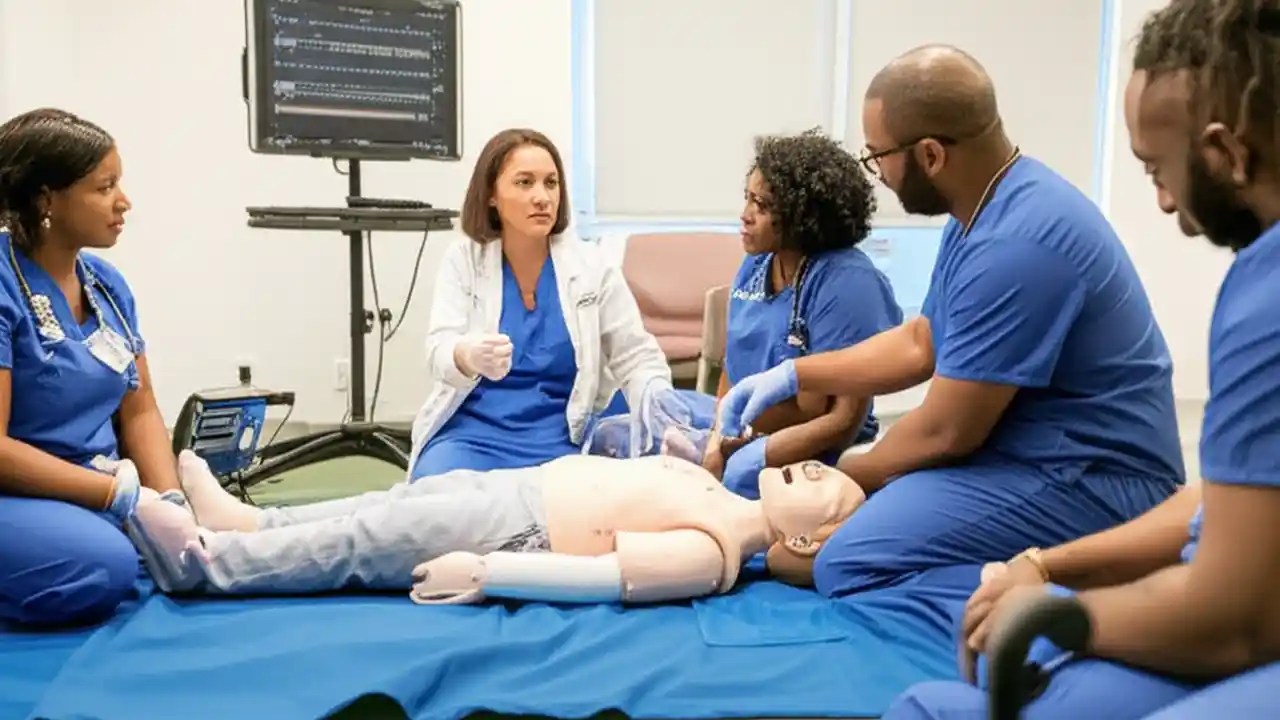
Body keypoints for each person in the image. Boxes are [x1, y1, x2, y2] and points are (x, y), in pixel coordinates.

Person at [885, 1, 1280, 717]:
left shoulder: (1263, 292)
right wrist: (1042, 568)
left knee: (953, 685)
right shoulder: (973, 221)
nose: (1160, 201)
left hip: (1100, 480)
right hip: (1129, 508)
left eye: (1157, 167)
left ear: (1226, 152)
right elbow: (1227, 498)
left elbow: (1240, 618)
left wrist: (1056, 612)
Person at [716, 45, 1186, 599]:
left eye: (877, 157)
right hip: (1019, 454)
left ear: (931, 155)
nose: (877, 174)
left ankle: (1048, 584)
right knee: (840, 529)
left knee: (843, 560)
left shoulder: (1018, 241)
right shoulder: (980, 213)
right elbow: (922, 342)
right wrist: (798, 375)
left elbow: (947, 430)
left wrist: (846, 479)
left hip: (1089, 479)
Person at [589, 129, 903, 499]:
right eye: (747, 198)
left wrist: (731, 455)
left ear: (803, 215)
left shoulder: (848, 283)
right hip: (737, 427)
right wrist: (718, 437)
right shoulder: (755, 267)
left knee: (718, 478)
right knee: (612, 431)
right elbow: (730, 377)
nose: (745, 215)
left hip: (810, 446)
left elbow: (840, 422)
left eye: (763, 206)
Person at [125, 448, 865, 603]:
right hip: (524, 486)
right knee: (386, 506)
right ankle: (253, 519)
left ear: (802, 542)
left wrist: (487, 574)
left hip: (520, 531)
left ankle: (209, 563)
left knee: (366, 544)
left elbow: (600, 578)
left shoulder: (712, 555)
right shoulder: (706, 483)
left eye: (828, 492)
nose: (821, 469)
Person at [0, 108, 186, 626]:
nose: (124, 202)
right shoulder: (2, 283)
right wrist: (119, 495)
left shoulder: (106, 284)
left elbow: (140, 408)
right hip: (17, 493)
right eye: (105, 188)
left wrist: (169, 499)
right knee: (104, 566)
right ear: (45, 199)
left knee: (208, 537)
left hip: (92, 490)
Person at [408, 128, 682, 477]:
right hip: (473, 434)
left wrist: (657, 396)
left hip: (562, 437)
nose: (542, 197)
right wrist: (464, 354)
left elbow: (635, 355)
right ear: (491, 194)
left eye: (551, 183)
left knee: (583, 512)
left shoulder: (592, 266)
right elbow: (438, 350)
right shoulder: (464, 260)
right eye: (525, 183)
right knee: (437, 503)